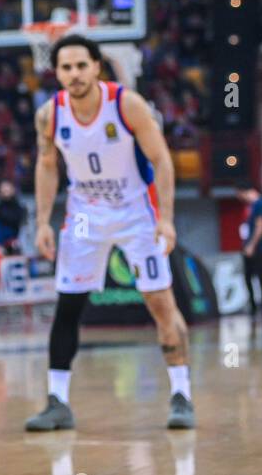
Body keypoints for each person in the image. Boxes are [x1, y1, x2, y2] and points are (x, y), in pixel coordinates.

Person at [26, 34, 194, 431]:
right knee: (69, 305)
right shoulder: (50, 114)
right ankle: (57, 402)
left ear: (96, 66)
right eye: (65, 67)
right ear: (58, 72)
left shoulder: (126, 104)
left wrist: (166, 218)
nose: (74, 74)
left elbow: (161, 160)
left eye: (81, 65)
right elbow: (47, 166)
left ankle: (182, 393)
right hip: (85, 215)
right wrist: (43, 222)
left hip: (136, 211)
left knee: (160, 302)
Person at [235, 183, 262, 319]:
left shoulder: (260, 204)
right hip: (250, 246)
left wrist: (251, 245)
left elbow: (260, 226)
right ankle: (254, 306)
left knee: (260, 276)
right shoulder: (251, 206)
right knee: (248, 276)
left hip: (258, 248)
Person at [0, 180, 26, 250]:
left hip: (13, 232)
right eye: (3, 189)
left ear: (12, 190)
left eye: (7, 189)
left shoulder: (18, 205)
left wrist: (4, 217)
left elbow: (16, 220)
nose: (5, 191)